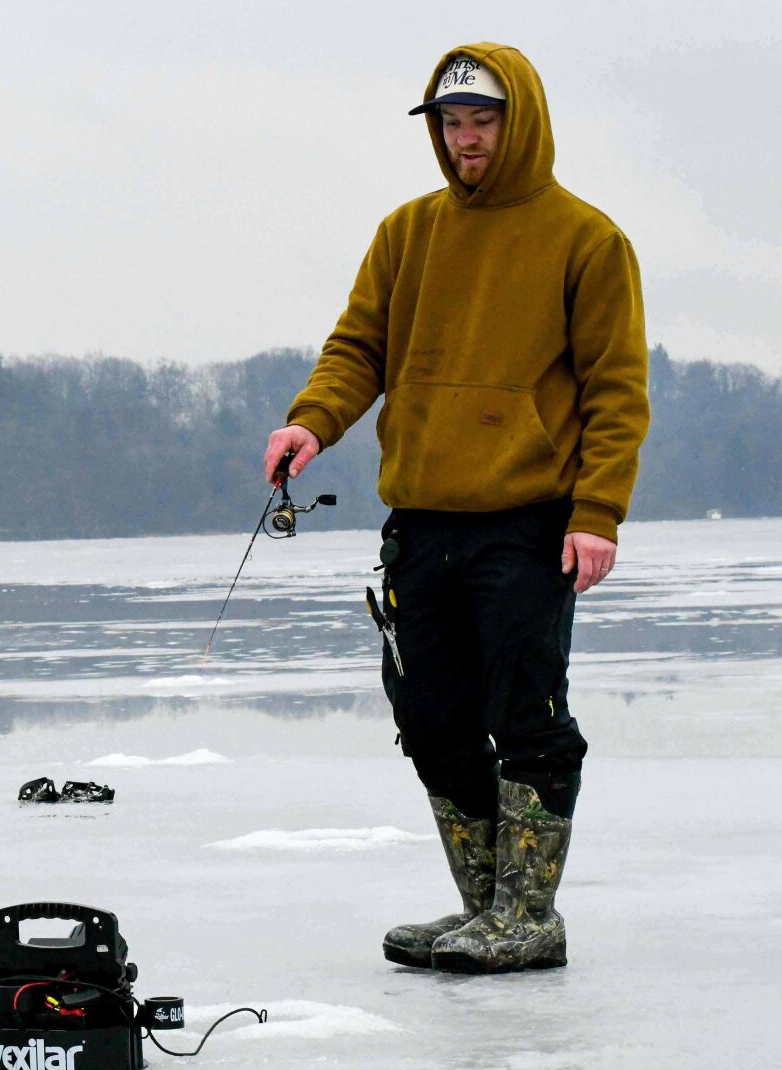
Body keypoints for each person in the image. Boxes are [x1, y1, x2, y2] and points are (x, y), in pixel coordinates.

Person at [263, 44, 648, 974]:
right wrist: (312, 421)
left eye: (482, 122)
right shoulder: (408, 233)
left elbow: (616, 390)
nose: (466, 140)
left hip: (529, 521)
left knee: (526, 715)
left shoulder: (587, 240)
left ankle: (528, 915)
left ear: (521, 124)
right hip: (422, 520)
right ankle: (483, 906)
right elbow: (359, 347)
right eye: (451, 124)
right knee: (431, 717)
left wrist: (598, 510)